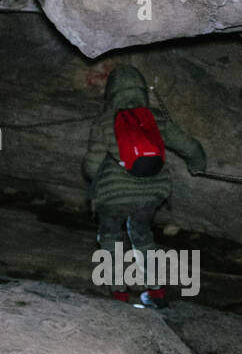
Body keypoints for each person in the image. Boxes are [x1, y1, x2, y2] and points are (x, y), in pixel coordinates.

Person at [82, 65, 206, 307]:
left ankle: (119, 293)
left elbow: (92, 163)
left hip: (113, 195)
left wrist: (95, 178)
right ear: (142, 90)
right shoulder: (155, 117)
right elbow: (188, 146)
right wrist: (197, 164)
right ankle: (155, 292)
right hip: (151, 192)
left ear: (111, 92)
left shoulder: (105, 122)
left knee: (111, 239)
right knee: (142, 236)